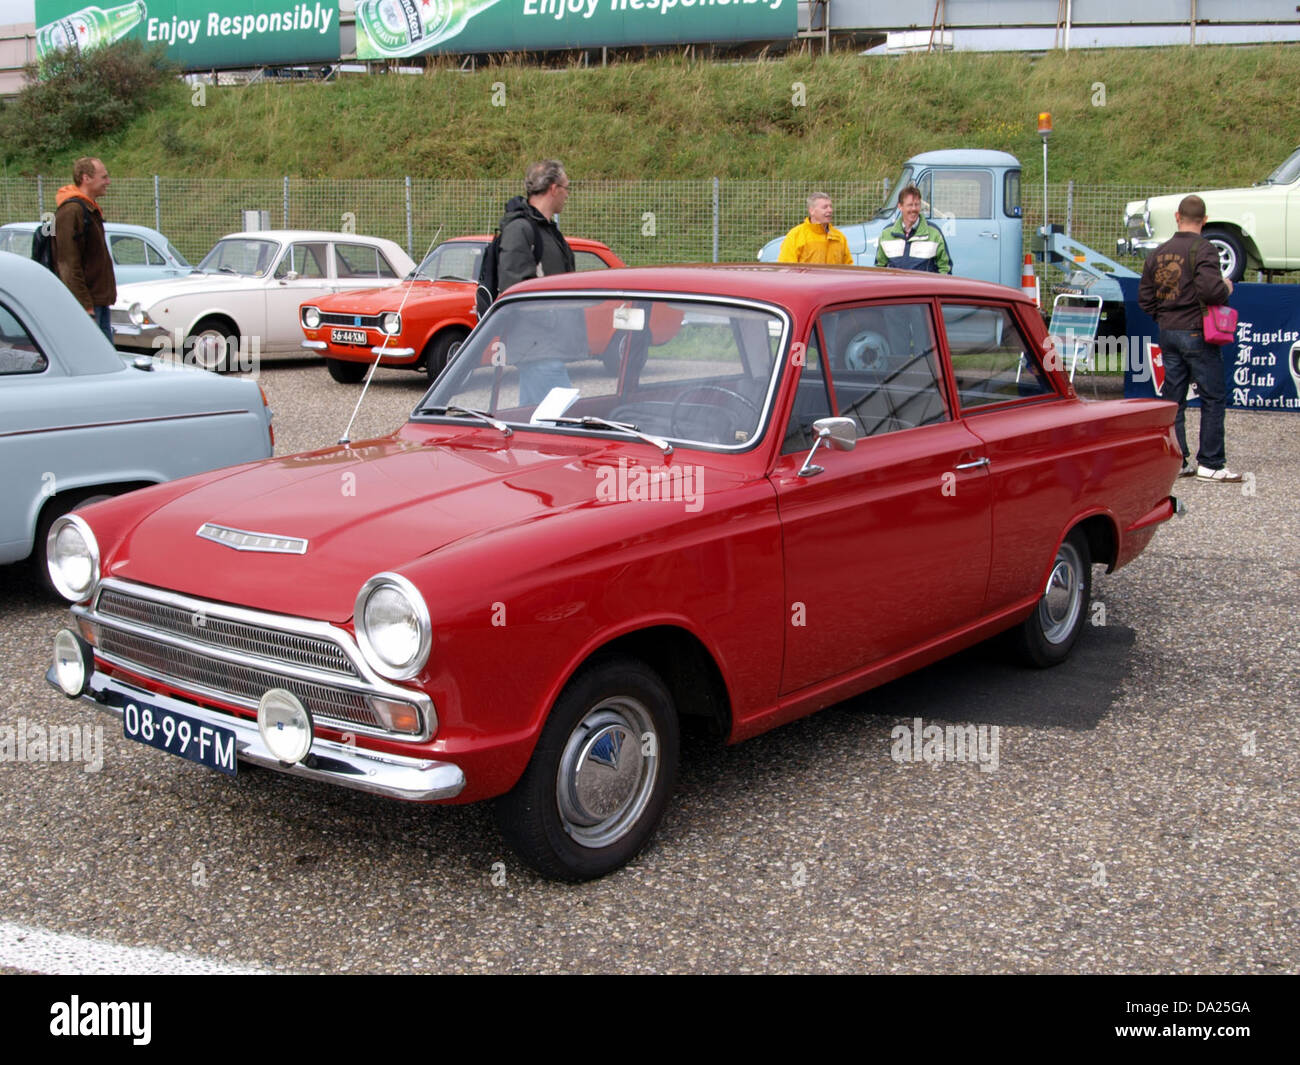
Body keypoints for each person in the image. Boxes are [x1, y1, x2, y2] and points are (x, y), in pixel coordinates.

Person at [1138, 194, 1239, 482]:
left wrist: (1164, 317)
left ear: (1176, 216)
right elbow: (1210, 291)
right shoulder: (1204, 249)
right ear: (1205, 221)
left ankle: (1178, 460)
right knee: (1212, 397)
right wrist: (1227, 288)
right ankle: (1211, 463)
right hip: (1197, 332)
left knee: (1174, 398)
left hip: (1168, 332)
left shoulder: (1158, 252)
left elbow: (1145, 298)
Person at [497, 160, 578, 406]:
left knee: (534, 417)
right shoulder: (520, 230)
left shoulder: (547, 229)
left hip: (547, 346)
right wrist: (551, 317)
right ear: (553, 189)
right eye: (566, 188)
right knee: (566, 413)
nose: (567, 195)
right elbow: (516, 287)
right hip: (537, 347)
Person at [55, 157, 116, 342]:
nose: (108, 182)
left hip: (98, 303)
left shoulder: (89, 209)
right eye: (103, 177)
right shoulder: (71, 211)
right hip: (88, 306)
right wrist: (86, 307)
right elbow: (67, 264)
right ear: (86, 178)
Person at [875, 185, 952, 274]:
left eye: (917, 204)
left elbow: (945, 268)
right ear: (900, 206)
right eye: (910, 205)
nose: (914, 209)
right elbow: (879, 269)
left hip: (924, 288)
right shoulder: (886, 234)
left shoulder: (934, 234)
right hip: (896, 287)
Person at [777, 192, 852, 264]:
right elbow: (787, 268)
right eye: (825, 207)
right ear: (811, 211)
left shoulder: (839, 237)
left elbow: (848, 268)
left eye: (830, 206)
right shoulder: (795, 236)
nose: (830, 210)